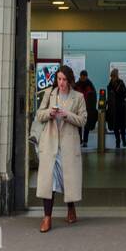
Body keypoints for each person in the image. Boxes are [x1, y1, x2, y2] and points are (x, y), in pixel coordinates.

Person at [35, 65, 87, 232]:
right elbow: (39, 115)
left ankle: (71, 208)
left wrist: (67, 115)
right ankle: (47, 218)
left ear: (70, 80)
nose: (61, 82)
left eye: (64, 79)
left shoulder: (78, 97)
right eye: (59, 79)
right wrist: (50, 112)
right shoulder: (50, 94)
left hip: (68, 146)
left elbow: (83, 120)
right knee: (48, 182)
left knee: (67, 181)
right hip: (50, 145)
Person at [73, 70, 97, 146]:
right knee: (79, 125)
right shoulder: (76, 85)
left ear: (86, 76)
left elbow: (94, 97)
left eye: (84, 76)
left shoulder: (90, 85)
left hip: (88, 108)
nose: (83, 78)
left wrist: (92, 107)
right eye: (82, 76)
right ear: (80, 76)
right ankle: (80, 140)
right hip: (78, 108)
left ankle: (85, 141)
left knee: (87, 125)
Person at [106, 68, 126, 148]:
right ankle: (118, 140)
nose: (113, 77)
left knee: (122, 126)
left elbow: (125, 94)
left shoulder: (121, 83)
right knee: (115, 126)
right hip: (113, 108)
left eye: (114, 76)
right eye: (112, 76)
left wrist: (118, 91)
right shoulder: (109, 85)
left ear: (117, 76)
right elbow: (109, 96)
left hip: (121, 107)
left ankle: (124, 140)